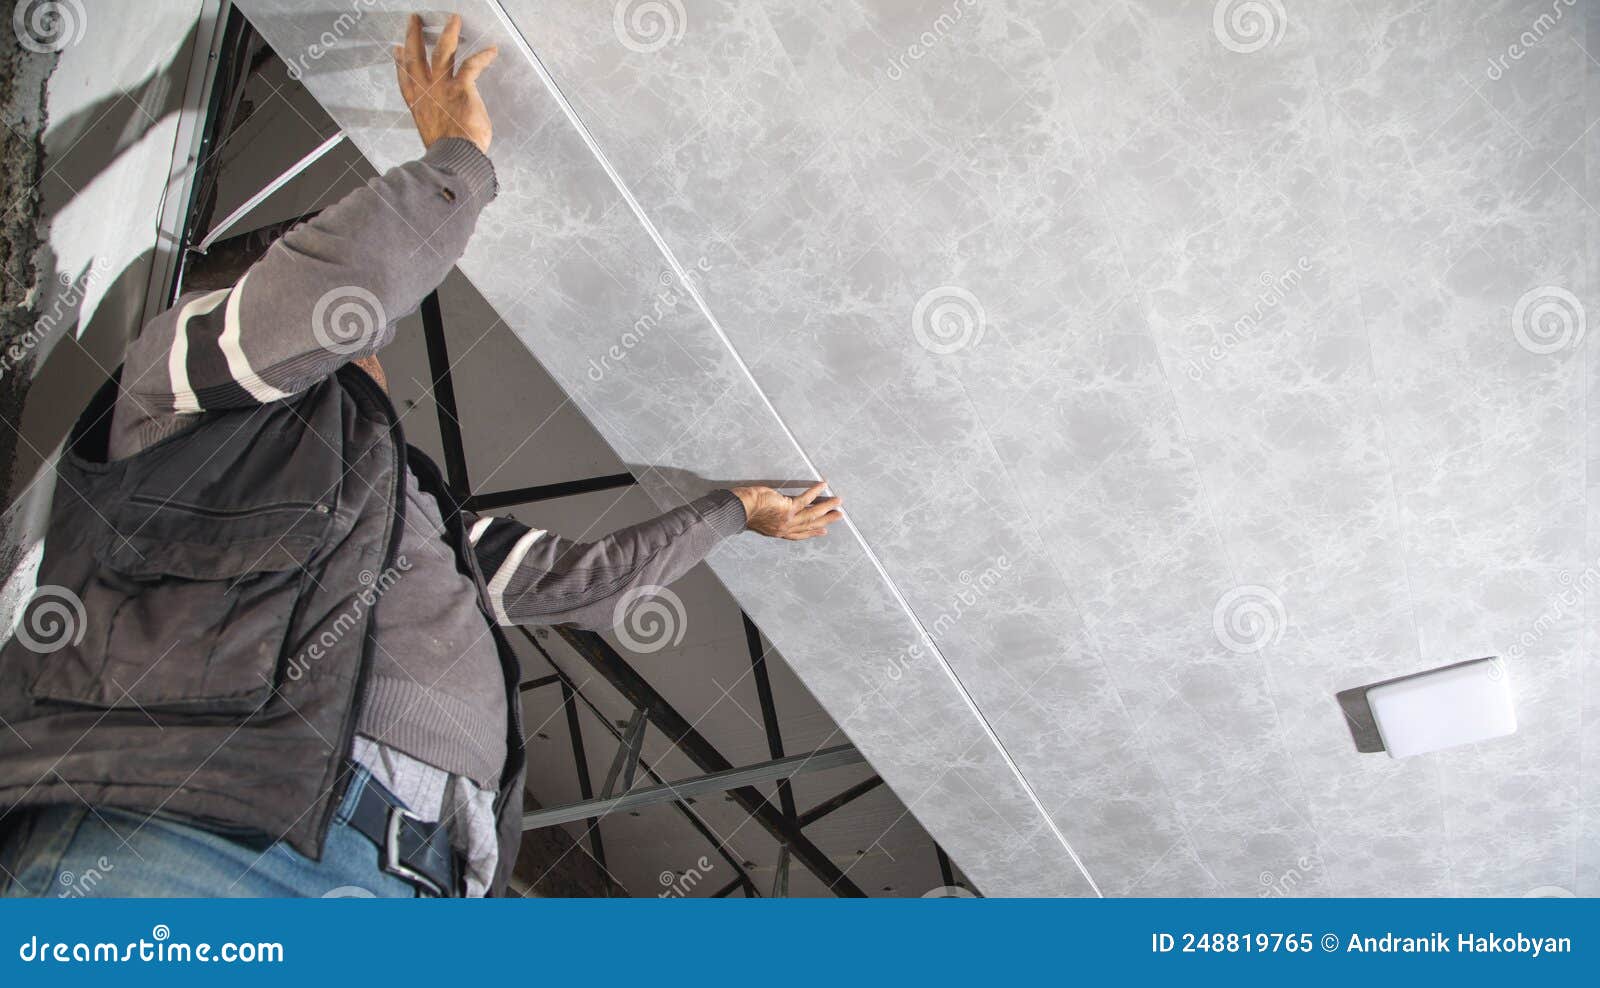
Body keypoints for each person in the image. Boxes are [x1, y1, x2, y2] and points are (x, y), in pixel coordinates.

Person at [0, 13, 843, 898]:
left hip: (411, 884)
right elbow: (344, 287)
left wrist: (737, 512)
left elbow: (591, 585)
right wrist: (457, 160)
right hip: (208, 836)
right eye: (367, 345)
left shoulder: (425, 518)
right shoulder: (180, 377)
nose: (376, 353)